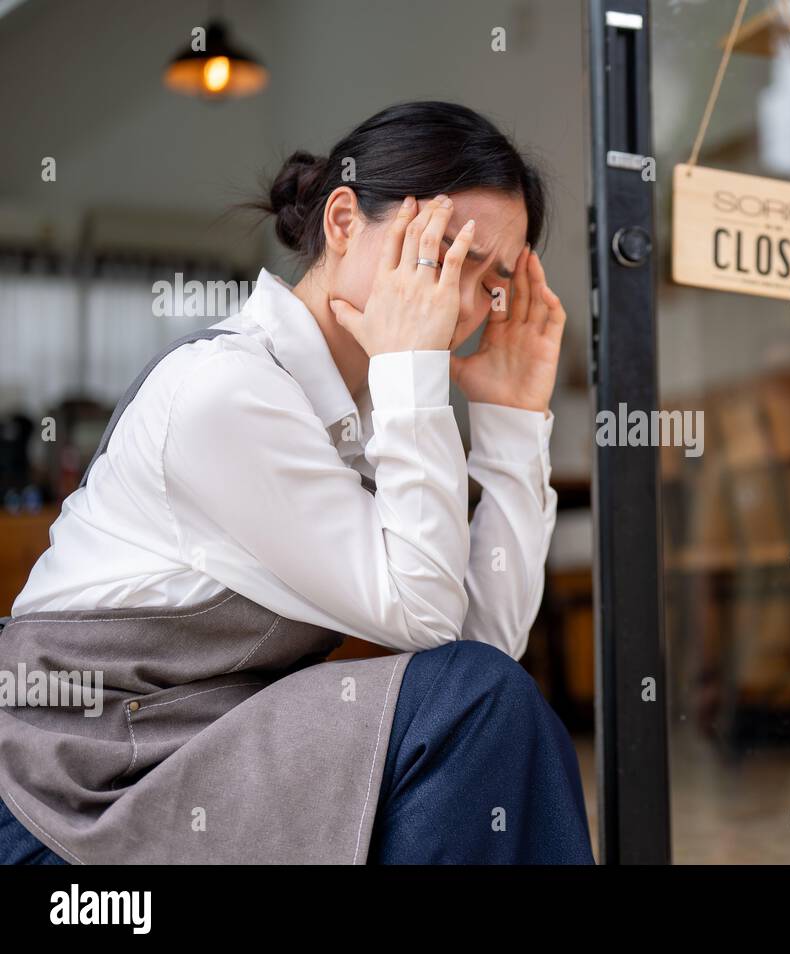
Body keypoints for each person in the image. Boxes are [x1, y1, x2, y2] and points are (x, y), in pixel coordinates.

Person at [0, 101, 594, 864]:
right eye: (441, 254)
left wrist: (511, 420)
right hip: (77, 797)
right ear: (342, 221)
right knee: (476, 709)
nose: (460, 301)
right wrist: (415, 375)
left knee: (483, 706)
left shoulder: (375, 410)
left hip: (201, 752)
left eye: (492, 283)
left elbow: (476, 644)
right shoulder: (226, 391)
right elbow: (430, 622)